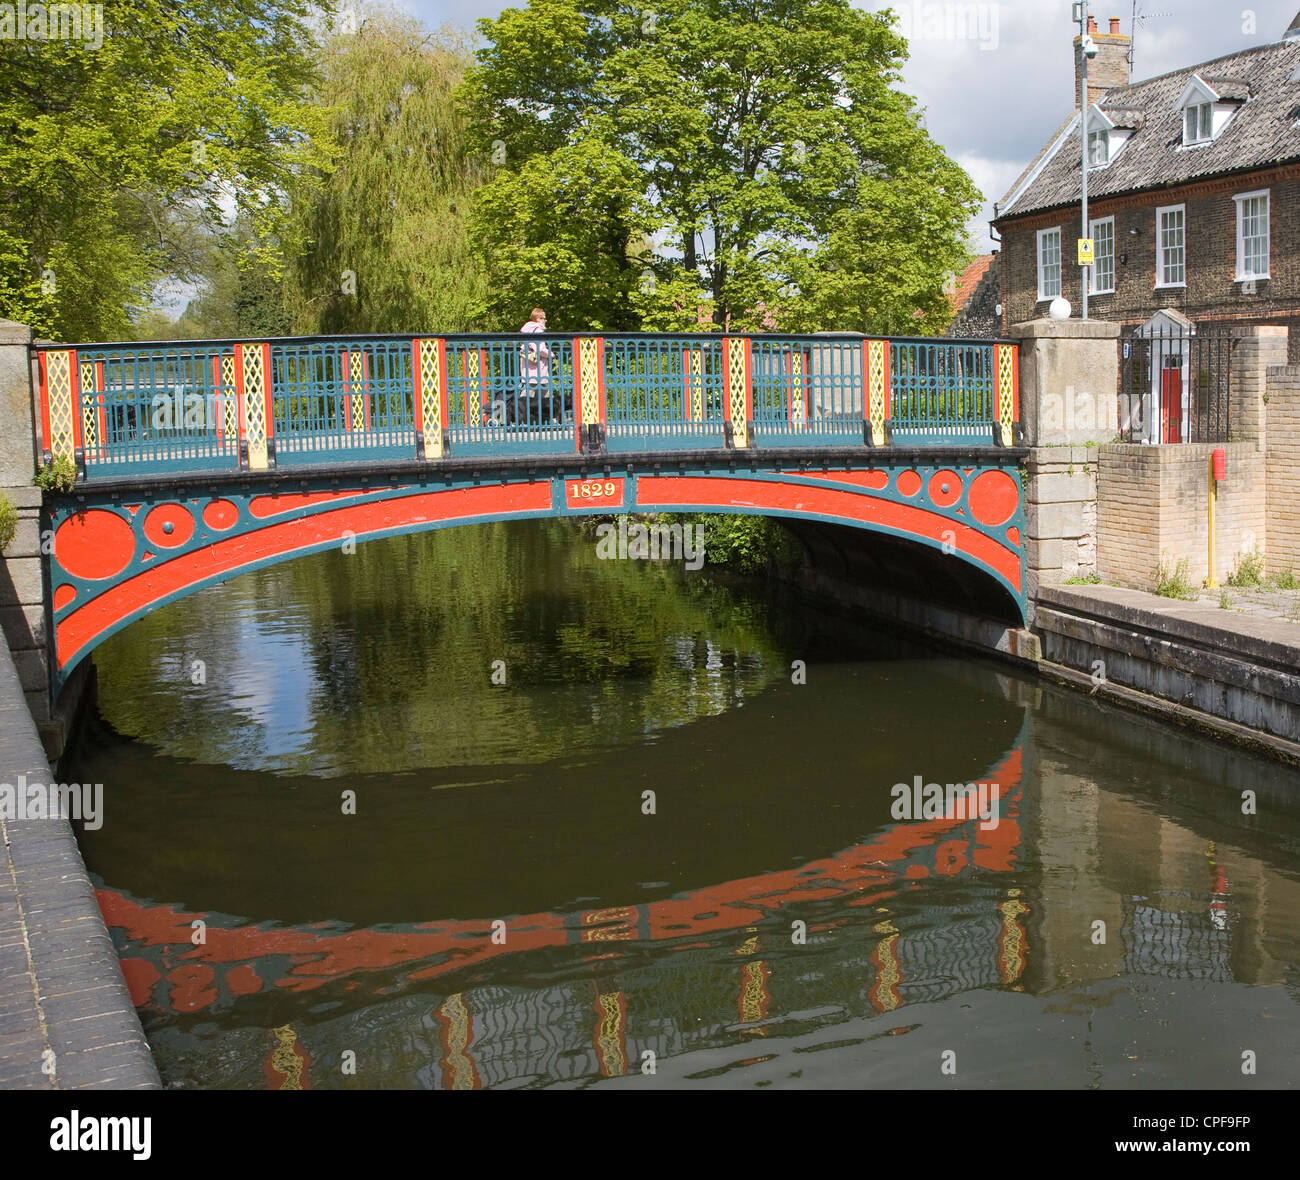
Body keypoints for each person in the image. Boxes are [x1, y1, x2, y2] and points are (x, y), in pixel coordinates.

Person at [518, 308, 554, 426]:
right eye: (544, 318)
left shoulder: (527, 330)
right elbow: (540, 348)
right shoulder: (538, 330)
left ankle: (523, 419)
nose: (545, 320)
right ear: (538, 319)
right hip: (538, 367)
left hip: (528, 366)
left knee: (530, 392)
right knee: (540, 393)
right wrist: (551, 354)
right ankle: (548, 419)